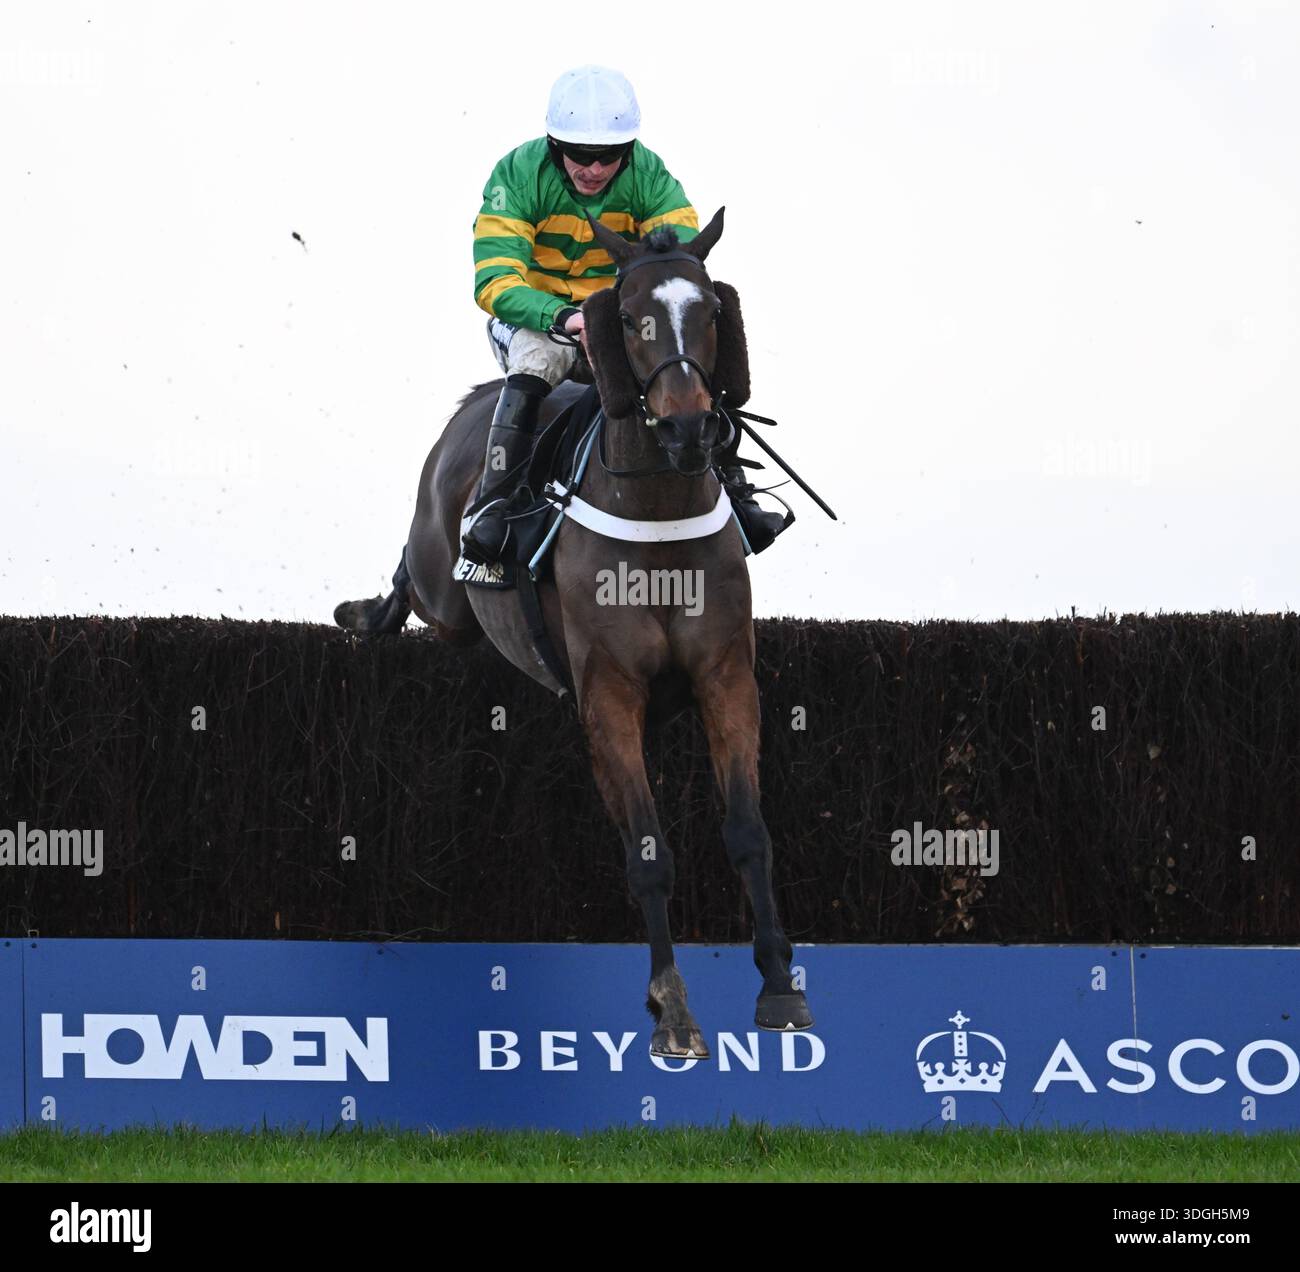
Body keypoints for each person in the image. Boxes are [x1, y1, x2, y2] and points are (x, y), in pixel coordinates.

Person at [460, 65, 783, 567]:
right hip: (534, 319)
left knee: (687, 347)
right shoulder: (516, 176)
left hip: (617, 320)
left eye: (608, 156)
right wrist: (565, 318)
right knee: (537, 356)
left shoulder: (649, 175)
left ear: (627, 150)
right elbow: (496, 282)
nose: (593, 169)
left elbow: (678, 262)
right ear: (553, 143)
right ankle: (494, 504)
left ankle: (735, 490)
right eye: (580, 155)